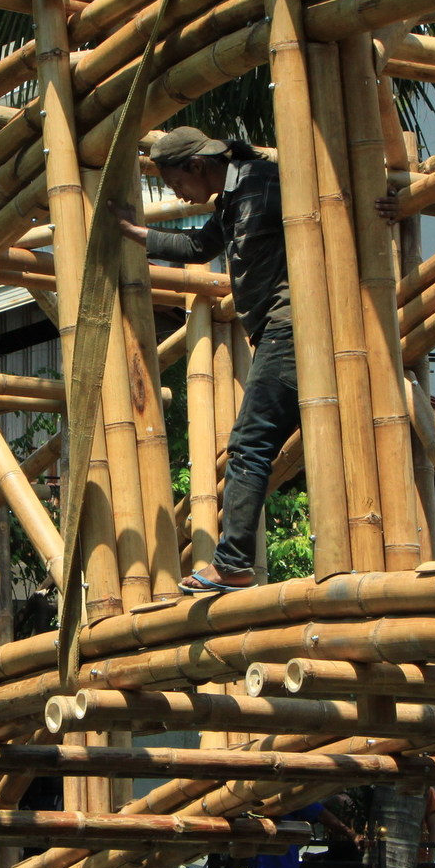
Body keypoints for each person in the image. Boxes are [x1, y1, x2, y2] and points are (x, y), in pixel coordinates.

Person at [118, 126, 291, 593]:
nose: (180, 196)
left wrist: (388, 204)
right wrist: (135, 232)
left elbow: (337, 197)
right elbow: (197, 247)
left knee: (249, 445)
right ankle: (234, 562)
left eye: (176, 186)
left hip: (291, 329)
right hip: (275, 333)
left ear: (197, 165)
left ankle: (233, 563)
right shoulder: (232, 199)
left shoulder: (264, 182)